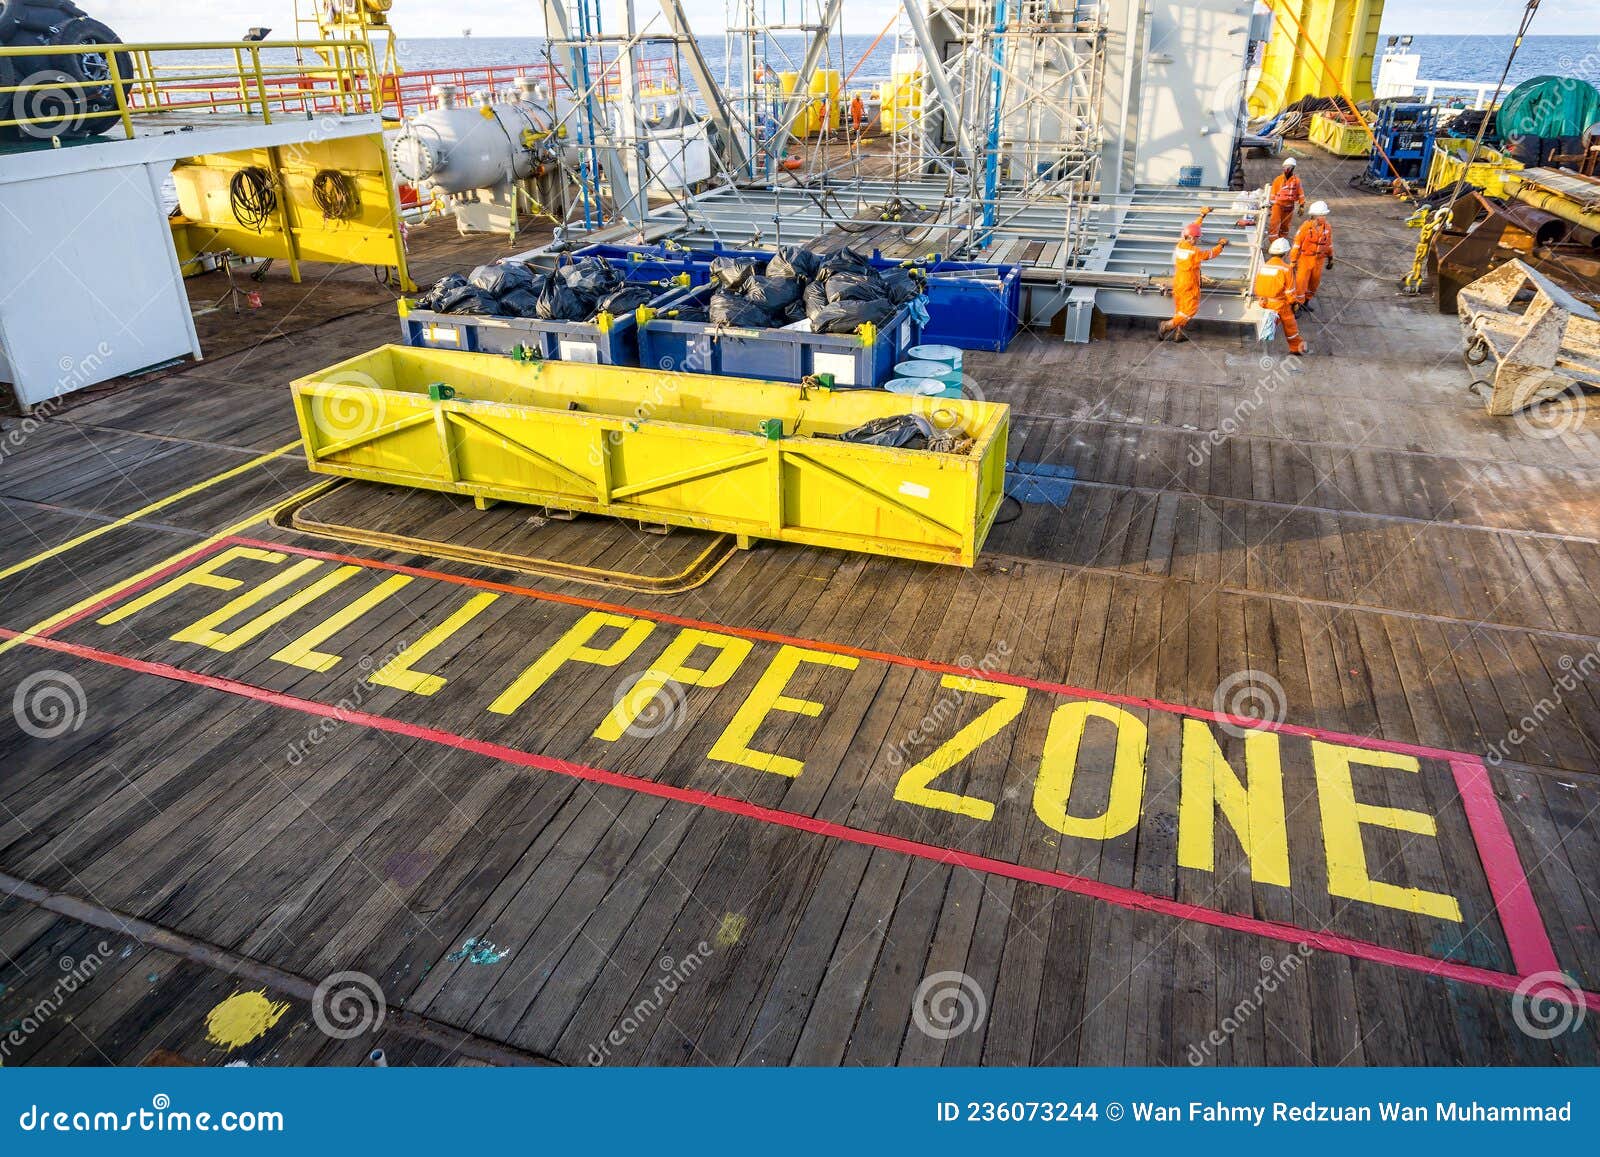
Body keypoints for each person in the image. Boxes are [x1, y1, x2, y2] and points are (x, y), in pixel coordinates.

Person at [1158, 210, 1229, 341]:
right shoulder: (1194, 251)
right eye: (1197, 238)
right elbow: (1210, 254)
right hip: (1189, 283)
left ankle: (1178, 334)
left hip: (1179, 281)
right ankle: (1166, 325)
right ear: (1190, 238)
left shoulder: (1180, 244)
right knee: (1190, 310)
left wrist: (1202, 216)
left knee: (1180, 309)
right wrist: (1221, 245)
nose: (1198, 239)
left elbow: (1192, 228)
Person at [1254, 237, 1306, 355]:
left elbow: (1258, 286)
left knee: (1268, 324)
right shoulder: (1286, 269)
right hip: (1280, 304)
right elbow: (1290, 292)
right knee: (1290, 326)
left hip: (1265, 302)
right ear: (1285, 253)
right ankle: (1296, 348)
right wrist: (1294, 304)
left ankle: (1263, 346)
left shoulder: (1263, 267)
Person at [1290, 200, 1334, 313]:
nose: (1324, 217)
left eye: (1325, 215)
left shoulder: (1327, 228)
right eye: (1323, 215)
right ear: (1315, 216)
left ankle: (1306, 302)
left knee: (1314, 283)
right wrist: (1293, 261)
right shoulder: (1305, 228)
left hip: (1319, 261)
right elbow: (1296, 245)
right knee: (1301, 284)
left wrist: (1330, 258)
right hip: (1305, 259)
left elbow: (1329, 244)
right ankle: (1296, 306)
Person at [1267, 156, 1304, 242]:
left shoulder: (1297, 181)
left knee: (1285, 225)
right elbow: (1273, 194)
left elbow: (1300, 194)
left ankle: (1282, 241)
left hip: (1289, 206)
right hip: (1278, 205)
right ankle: (1273, 242)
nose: (1286, 169)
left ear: (1293, 168)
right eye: (1285, 167)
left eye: (1289, 168)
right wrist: (1271, 207)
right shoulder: (1278, 180)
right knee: (1274, 224)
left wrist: (1302, 205)